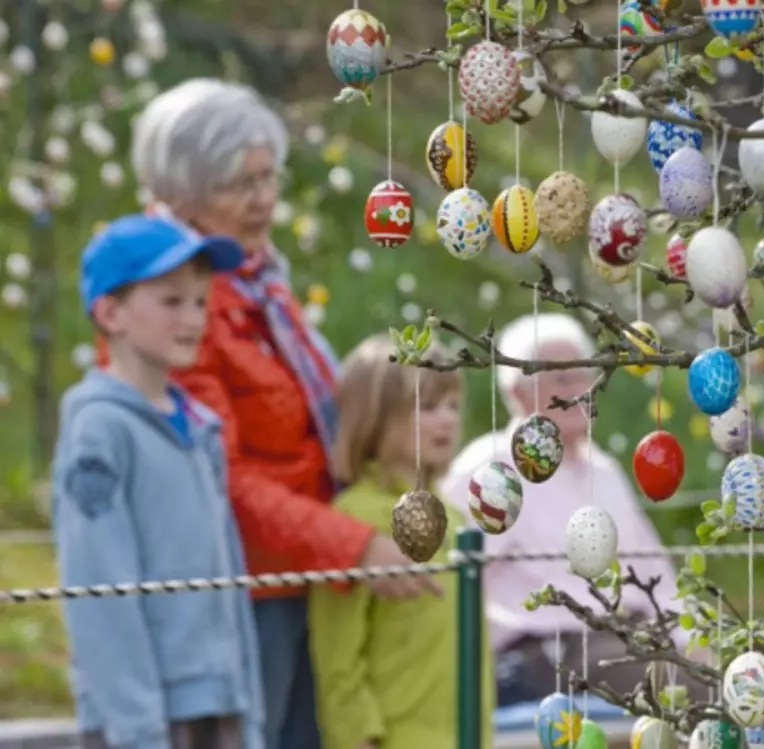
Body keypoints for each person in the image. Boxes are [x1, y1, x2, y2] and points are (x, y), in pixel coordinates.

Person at [109, 78, 425, 749]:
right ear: (186, 190)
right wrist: (354, 543)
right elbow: (222, 474)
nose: (263, 200)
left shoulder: (262, 282)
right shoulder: (181, 307)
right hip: (246, 588)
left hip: (301, 566)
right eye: (238, 183)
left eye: (267, 177)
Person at [54, 214, 263, 749]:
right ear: (110, 312)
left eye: (199, 301)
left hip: (221, 707)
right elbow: (100, 596)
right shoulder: (97, 430)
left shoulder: (201, 426)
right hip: (144, 722)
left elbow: (230, 580)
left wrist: (250, 712)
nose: (193, 317)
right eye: (171, 302)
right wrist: (139, 733)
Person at [441, 313, 684, 706]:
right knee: (689, 690)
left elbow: (658, 574)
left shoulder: (604, 470)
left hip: (631, 640)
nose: (577, 390)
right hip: (549, 654)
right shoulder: (492, 467)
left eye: (583, 375)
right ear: (517, 394)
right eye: (560, 378)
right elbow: (455, 581)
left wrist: (693, 637)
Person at [308, 334, 493, 749]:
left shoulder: (458, 517)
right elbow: (338, 662)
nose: (446, 420)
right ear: (374, 417)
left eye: (451, 406)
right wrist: (358, 738)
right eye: (426, 407)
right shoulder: (354, 520)